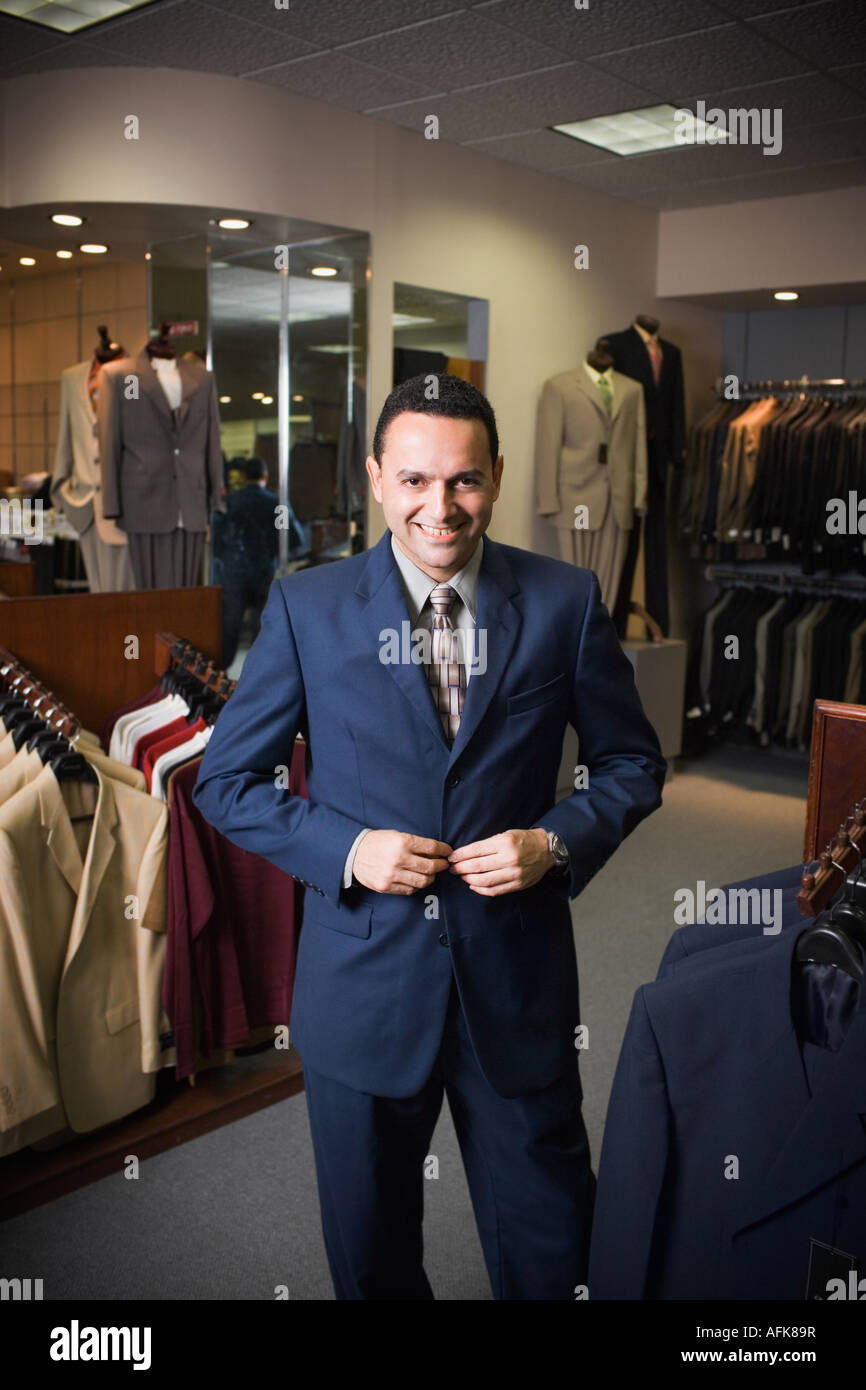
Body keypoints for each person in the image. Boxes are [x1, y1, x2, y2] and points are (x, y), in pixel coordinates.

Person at [192, 374, 666, 1300]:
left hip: (516, 989)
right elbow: (227, 784)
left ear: (494, 476)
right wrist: (347, 850)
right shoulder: (306, 608)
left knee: (558, 1255)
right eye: (414, 480)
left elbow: (631, 766)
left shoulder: (566, 601)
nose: (440, 508)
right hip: (362, 997)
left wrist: (557, 842)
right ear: (375, 478)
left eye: (464, 482)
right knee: (373, 1269)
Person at [213, 456, 279, 668]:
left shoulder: (230, 502)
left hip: (234, 572)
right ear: (265, 477)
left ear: (243, 477)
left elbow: (217, 539)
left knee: (229, 629)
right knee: (261, 630)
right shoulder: (276, 503)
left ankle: (219, 680)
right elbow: (293, 537)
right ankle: (259, 679)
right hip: (263, 572)